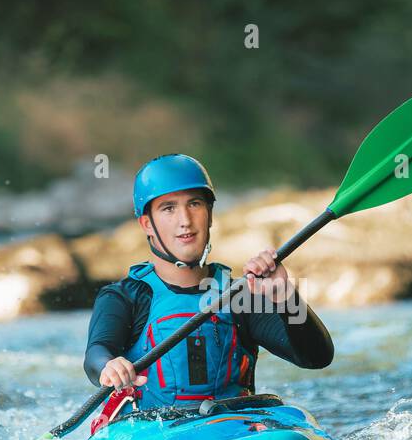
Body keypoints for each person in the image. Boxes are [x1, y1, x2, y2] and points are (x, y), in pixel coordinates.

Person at [84, 154, 333, 420]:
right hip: (155, 436)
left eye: (194, 204)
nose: (185, 220)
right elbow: (96, 354)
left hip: (233, 430)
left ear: (210, 215)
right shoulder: (124, 297)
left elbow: (317, 357)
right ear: (147, 224)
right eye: (168, 208)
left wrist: (285, 296)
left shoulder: (240, 296)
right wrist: (109, 366)